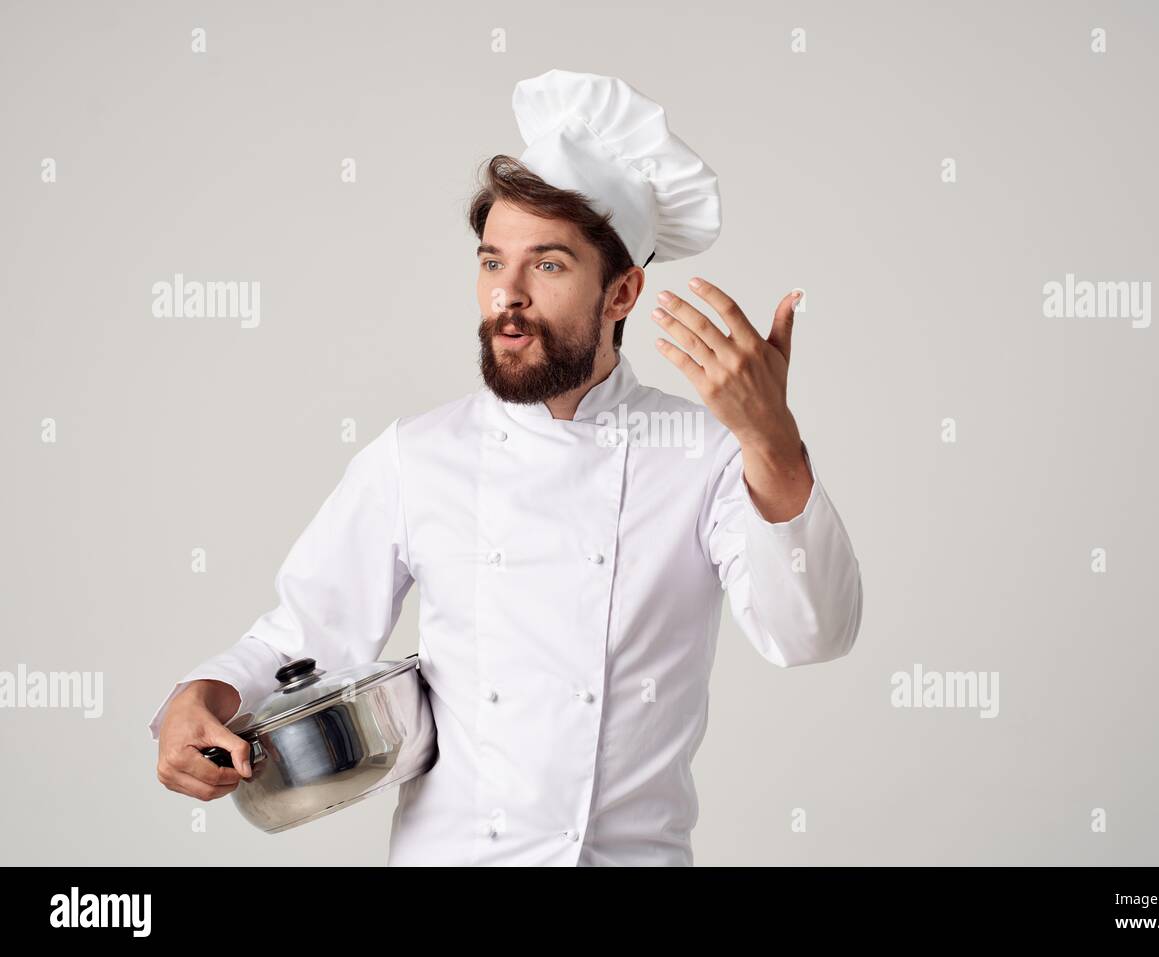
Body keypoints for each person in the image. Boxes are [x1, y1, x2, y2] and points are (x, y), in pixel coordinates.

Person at [150, 68, 863, 865]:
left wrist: (772, 440)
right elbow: (306, 630)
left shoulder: (703, 453)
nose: (506, 296)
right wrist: (201, 695)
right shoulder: (416, 456)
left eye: (548, 266)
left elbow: (813, 633)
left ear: (622, 291)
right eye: (492, 262)